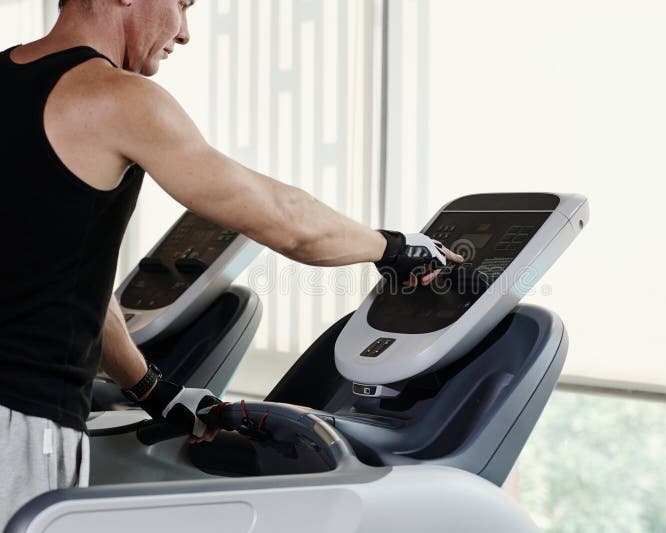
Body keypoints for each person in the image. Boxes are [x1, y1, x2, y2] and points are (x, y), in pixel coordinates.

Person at [0, 0, 462, 525]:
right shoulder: (116, 97)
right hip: (19, 428)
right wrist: (394, 247)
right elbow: (286, 222)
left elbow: (65, 285)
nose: (185, 32)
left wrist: (154, 390)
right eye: (182, 4)